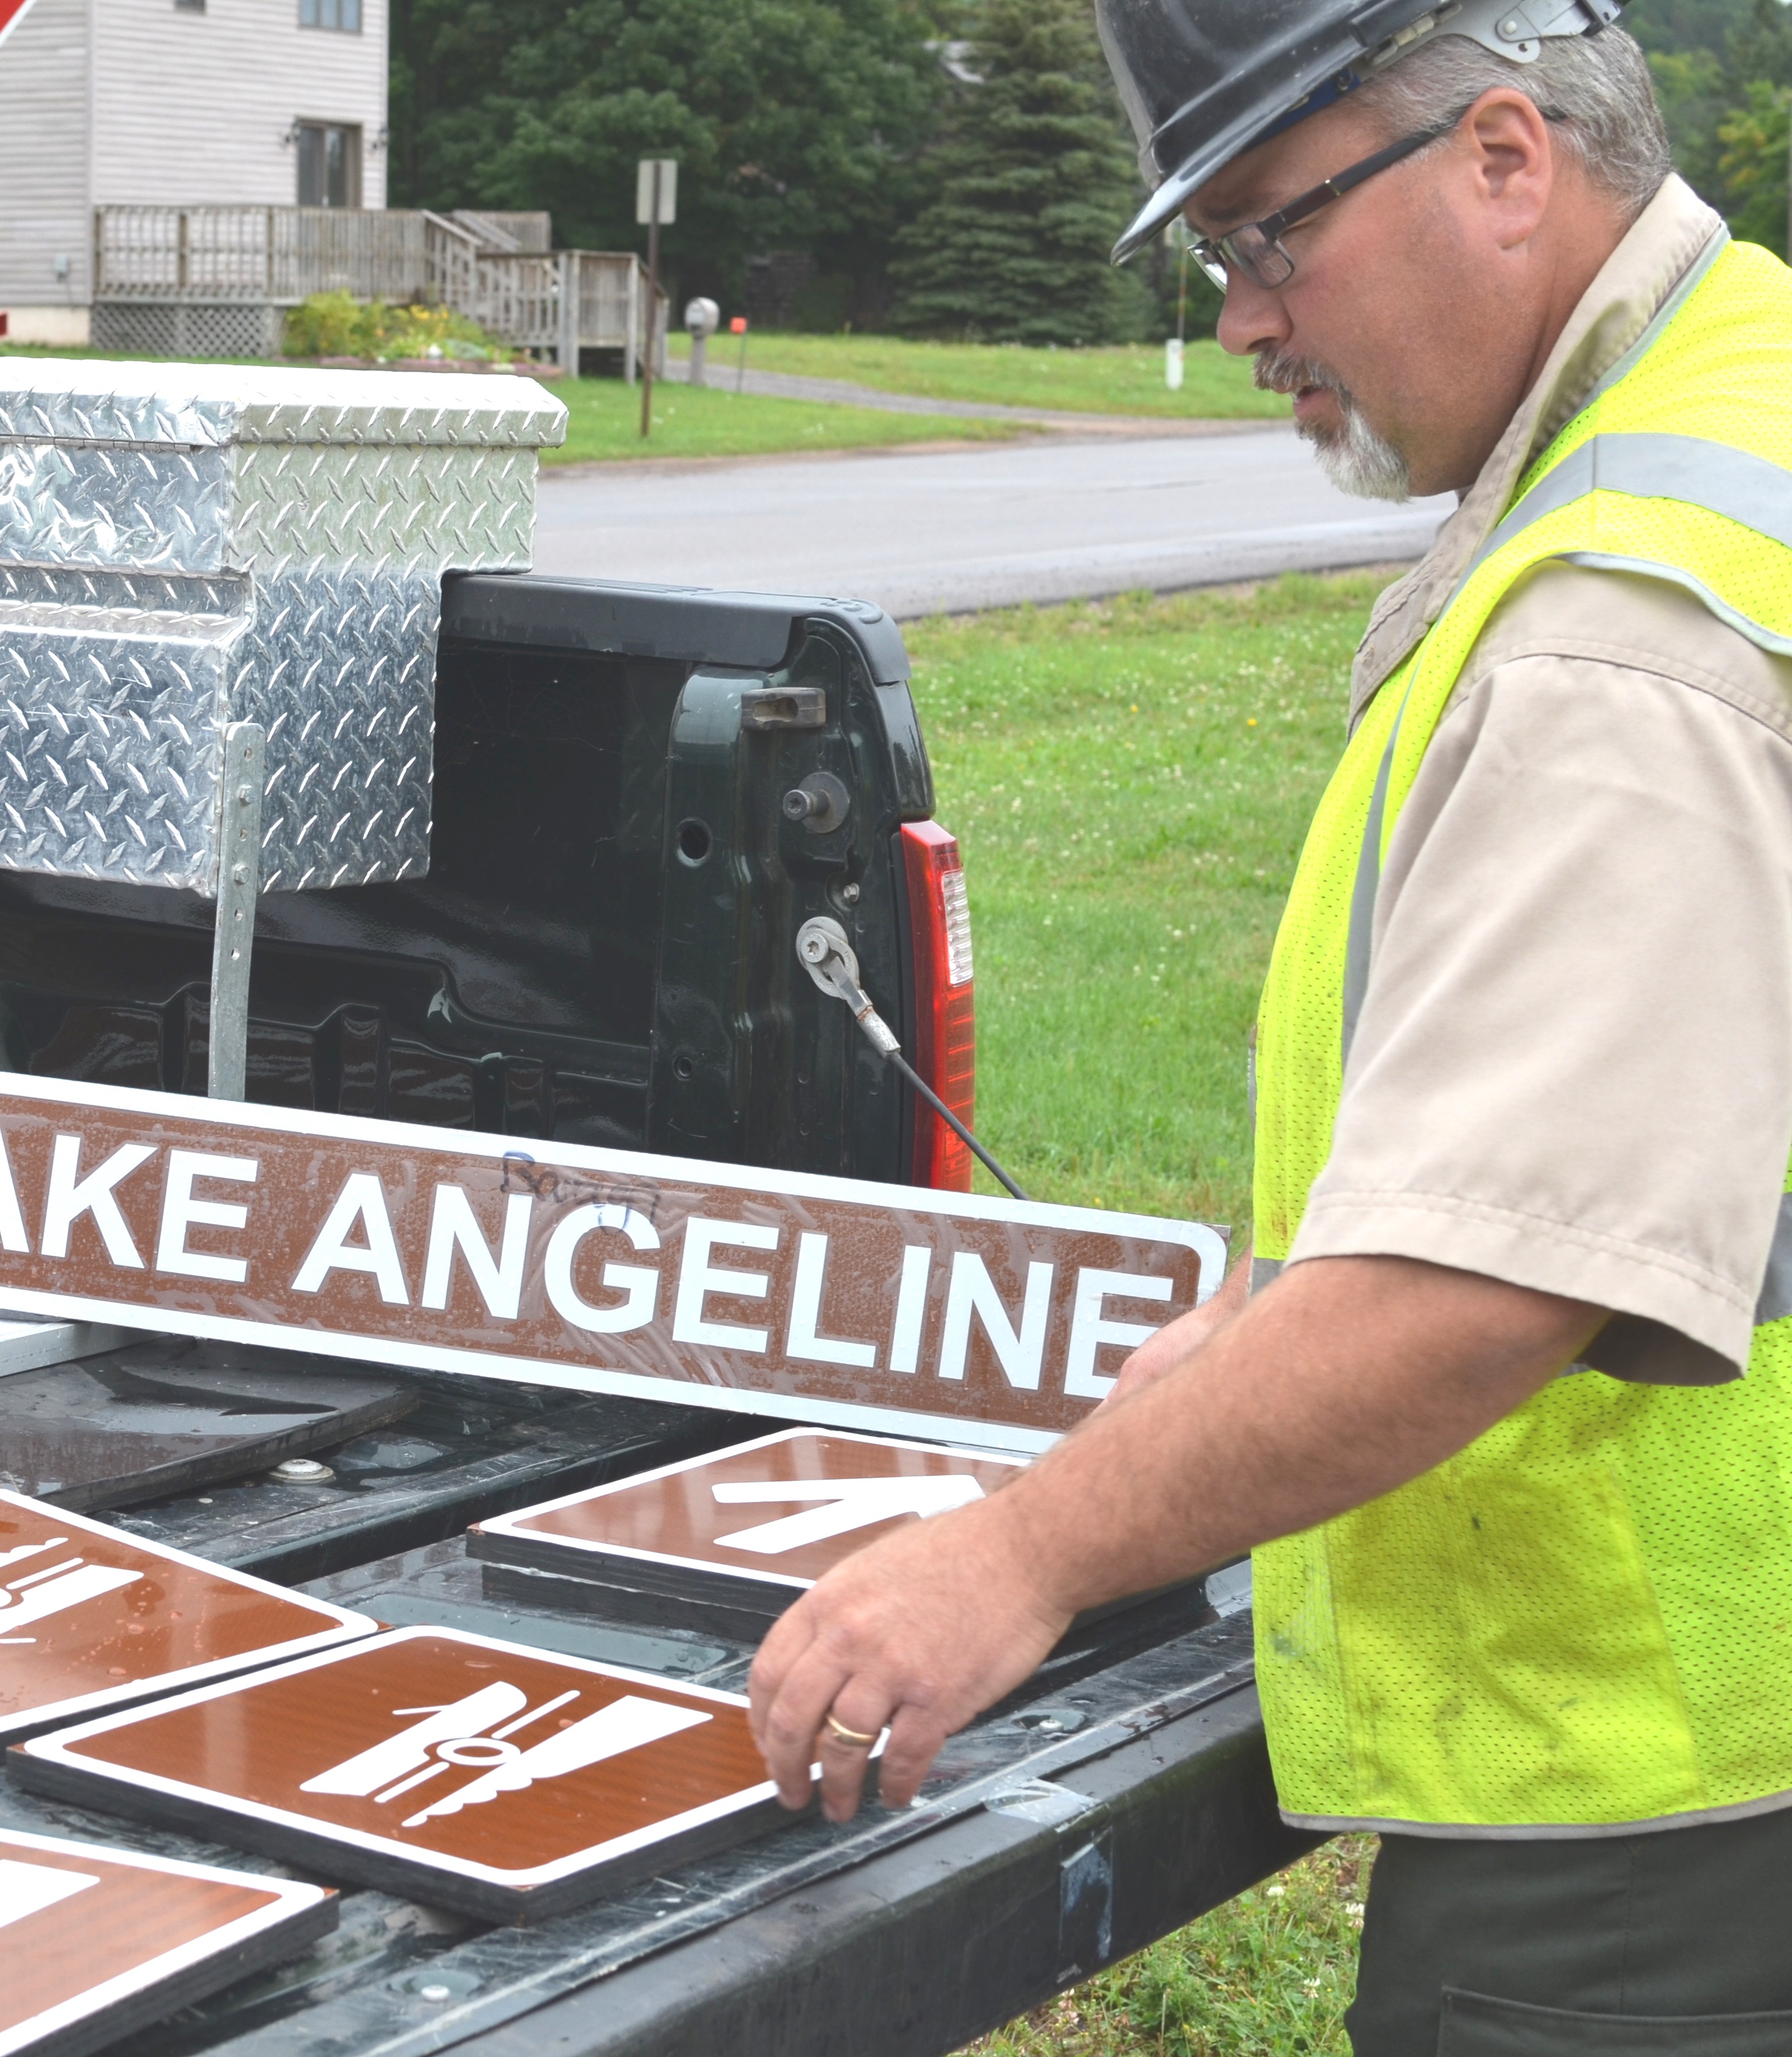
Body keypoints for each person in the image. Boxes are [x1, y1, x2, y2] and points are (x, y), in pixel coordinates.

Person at [745, 3, 1792, 2047]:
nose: (1239, 320)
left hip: (1668, 1806)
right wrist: (1288, 1305)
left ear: (1504, 159)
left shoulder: (1622, 618)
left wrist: (1016, 1557)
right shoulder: (1730, 400)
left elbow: (1482, 1294)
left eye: (1262, 237)